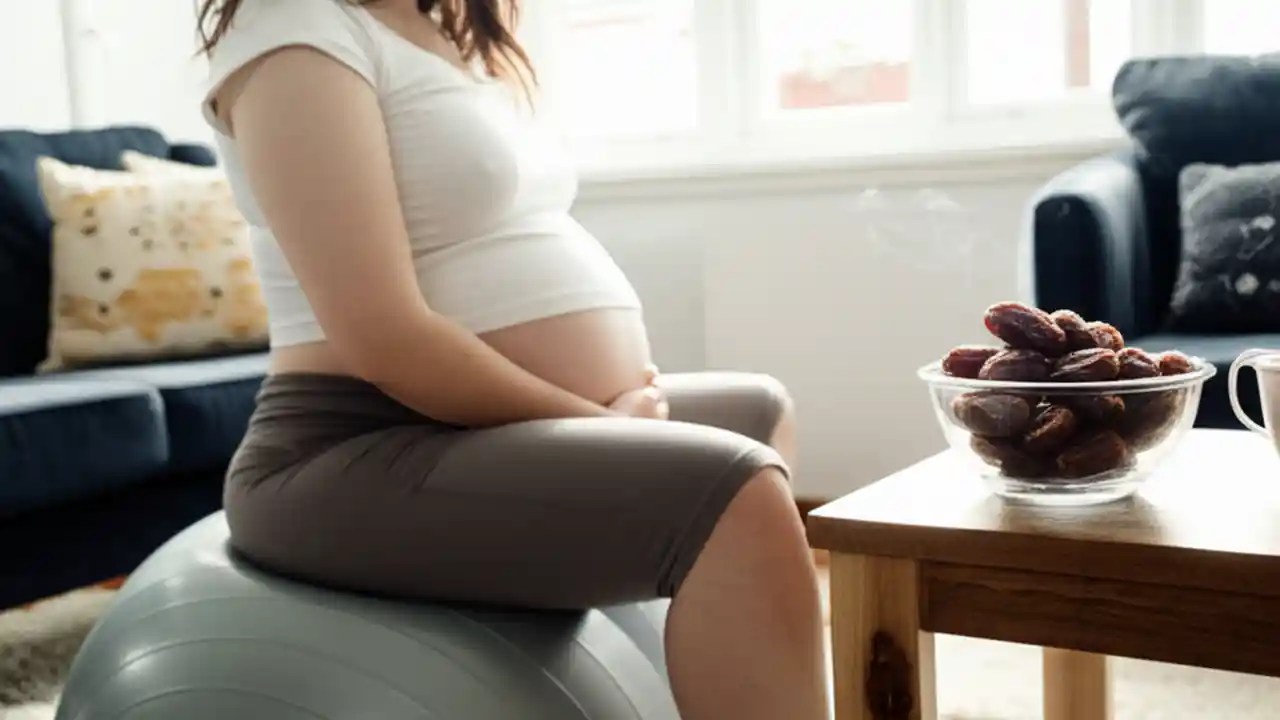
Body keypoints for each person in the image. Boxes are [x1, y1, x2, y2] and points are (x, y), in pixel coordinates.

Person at [199, 0, 827, 717]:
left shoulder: (439, 30)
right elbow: (383, 338)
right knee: (736, 491)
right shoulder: (294, 29)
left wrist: (603, 420)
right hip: (356, 443)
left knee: (757, 410)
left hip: (476, 426)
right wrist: (600, 423)